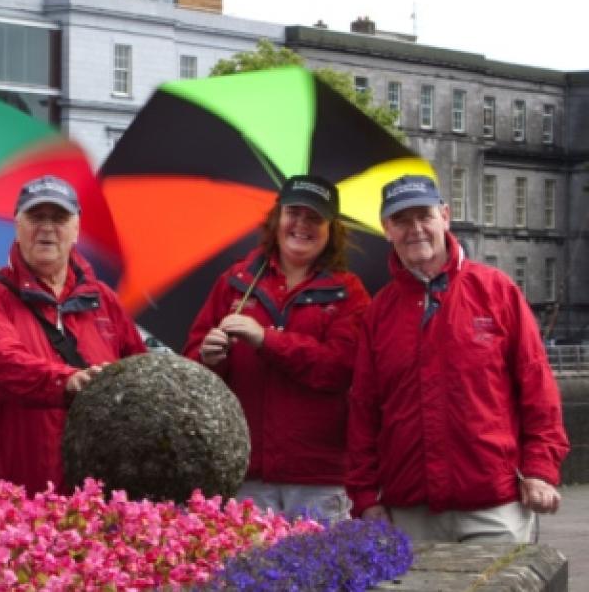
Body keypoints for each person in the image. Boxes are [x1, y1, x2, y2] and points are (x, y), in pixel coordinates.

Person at [346, 174, 569, 542]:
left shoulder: (497, 291)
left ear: (445, 217)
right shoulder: (379, 311)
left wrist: (540, 470)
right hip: (409, 509)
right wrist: (365, 496)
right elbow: (364, 410)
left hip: (494, 505)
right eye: (401, 220)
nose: (415, 229)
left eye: (424, 215)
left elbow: (537, 389)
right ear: (387, 229)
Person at [183, 175, 370, 523]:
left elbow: (341, 368)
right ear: (277, 218)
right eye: (293, 213)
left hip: (317, 478)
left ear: (331, 230)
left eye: (314, 217)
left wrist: (267, 340)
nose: (301, 225)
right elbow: (192, 370)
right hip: (246, 472)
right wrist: (209, 359)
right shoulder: (235, 282)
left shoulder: (349, 293)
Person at [0, 175, 146, 494]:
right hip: (13, 495)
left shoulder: (105, 300)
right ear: (17, 224)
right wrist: (67, 381)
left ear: (76, 229)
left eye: (59, 218)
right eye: (36, 217)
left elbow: (141, 376)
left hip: (95, 494)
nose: (47, 228)